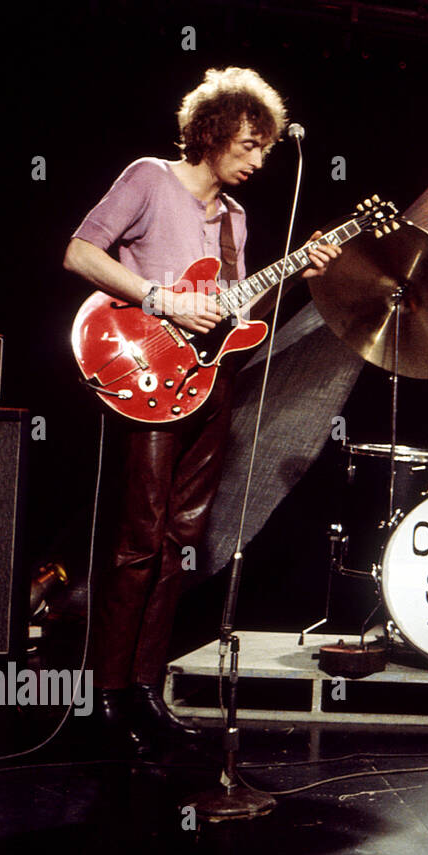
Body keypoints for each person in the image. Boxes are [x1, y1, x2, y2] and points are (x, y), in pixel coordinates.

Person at [63, 66, 339, 754]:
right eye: (247, 145)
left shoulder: (236, 221)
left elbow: (239, 319)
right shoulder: (150, 179)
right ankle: (104, 696)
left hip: (207, 387)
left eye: (264, 151)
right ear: (212, 132)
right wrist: (161, 299)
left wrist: (296, 277)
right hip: (144, 376)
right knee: (139, 541)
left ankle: (144, 692)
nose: (256, 161)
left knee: (181, 544)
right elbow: (79, 251)